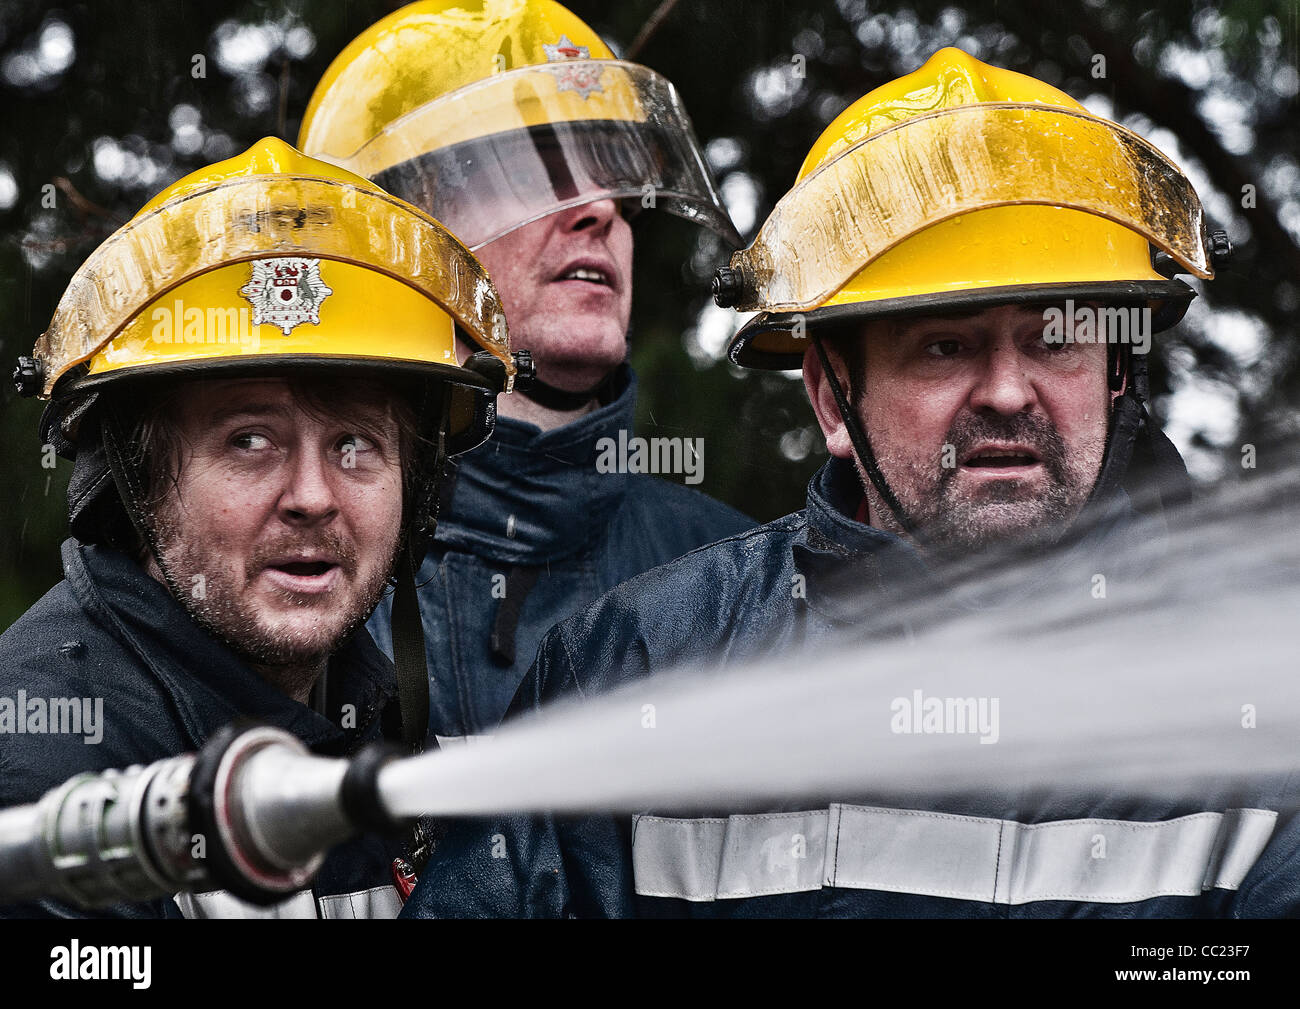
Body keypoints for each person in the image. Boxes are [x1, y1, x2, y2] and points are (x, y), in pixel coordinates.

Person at [400, 49, 1300, 918]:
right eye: (944, 344)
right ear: (832, 395)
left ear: (1114, 372)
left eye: (1053, 337)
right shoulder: (635, 666)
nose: (1007, 390)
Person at [0, 137, 518, 918]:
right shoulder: (41, 777)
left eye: (356, 444)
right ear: (137, 479)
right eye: (250, 440)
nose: (312, 495)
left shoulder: (374, 720)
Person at [298, 0, 752, 745]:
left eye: (609, 174)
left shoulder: (736, 582)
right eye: (537, 170)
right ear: (396, 230)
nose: (600, 208)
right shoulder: (282, 579)